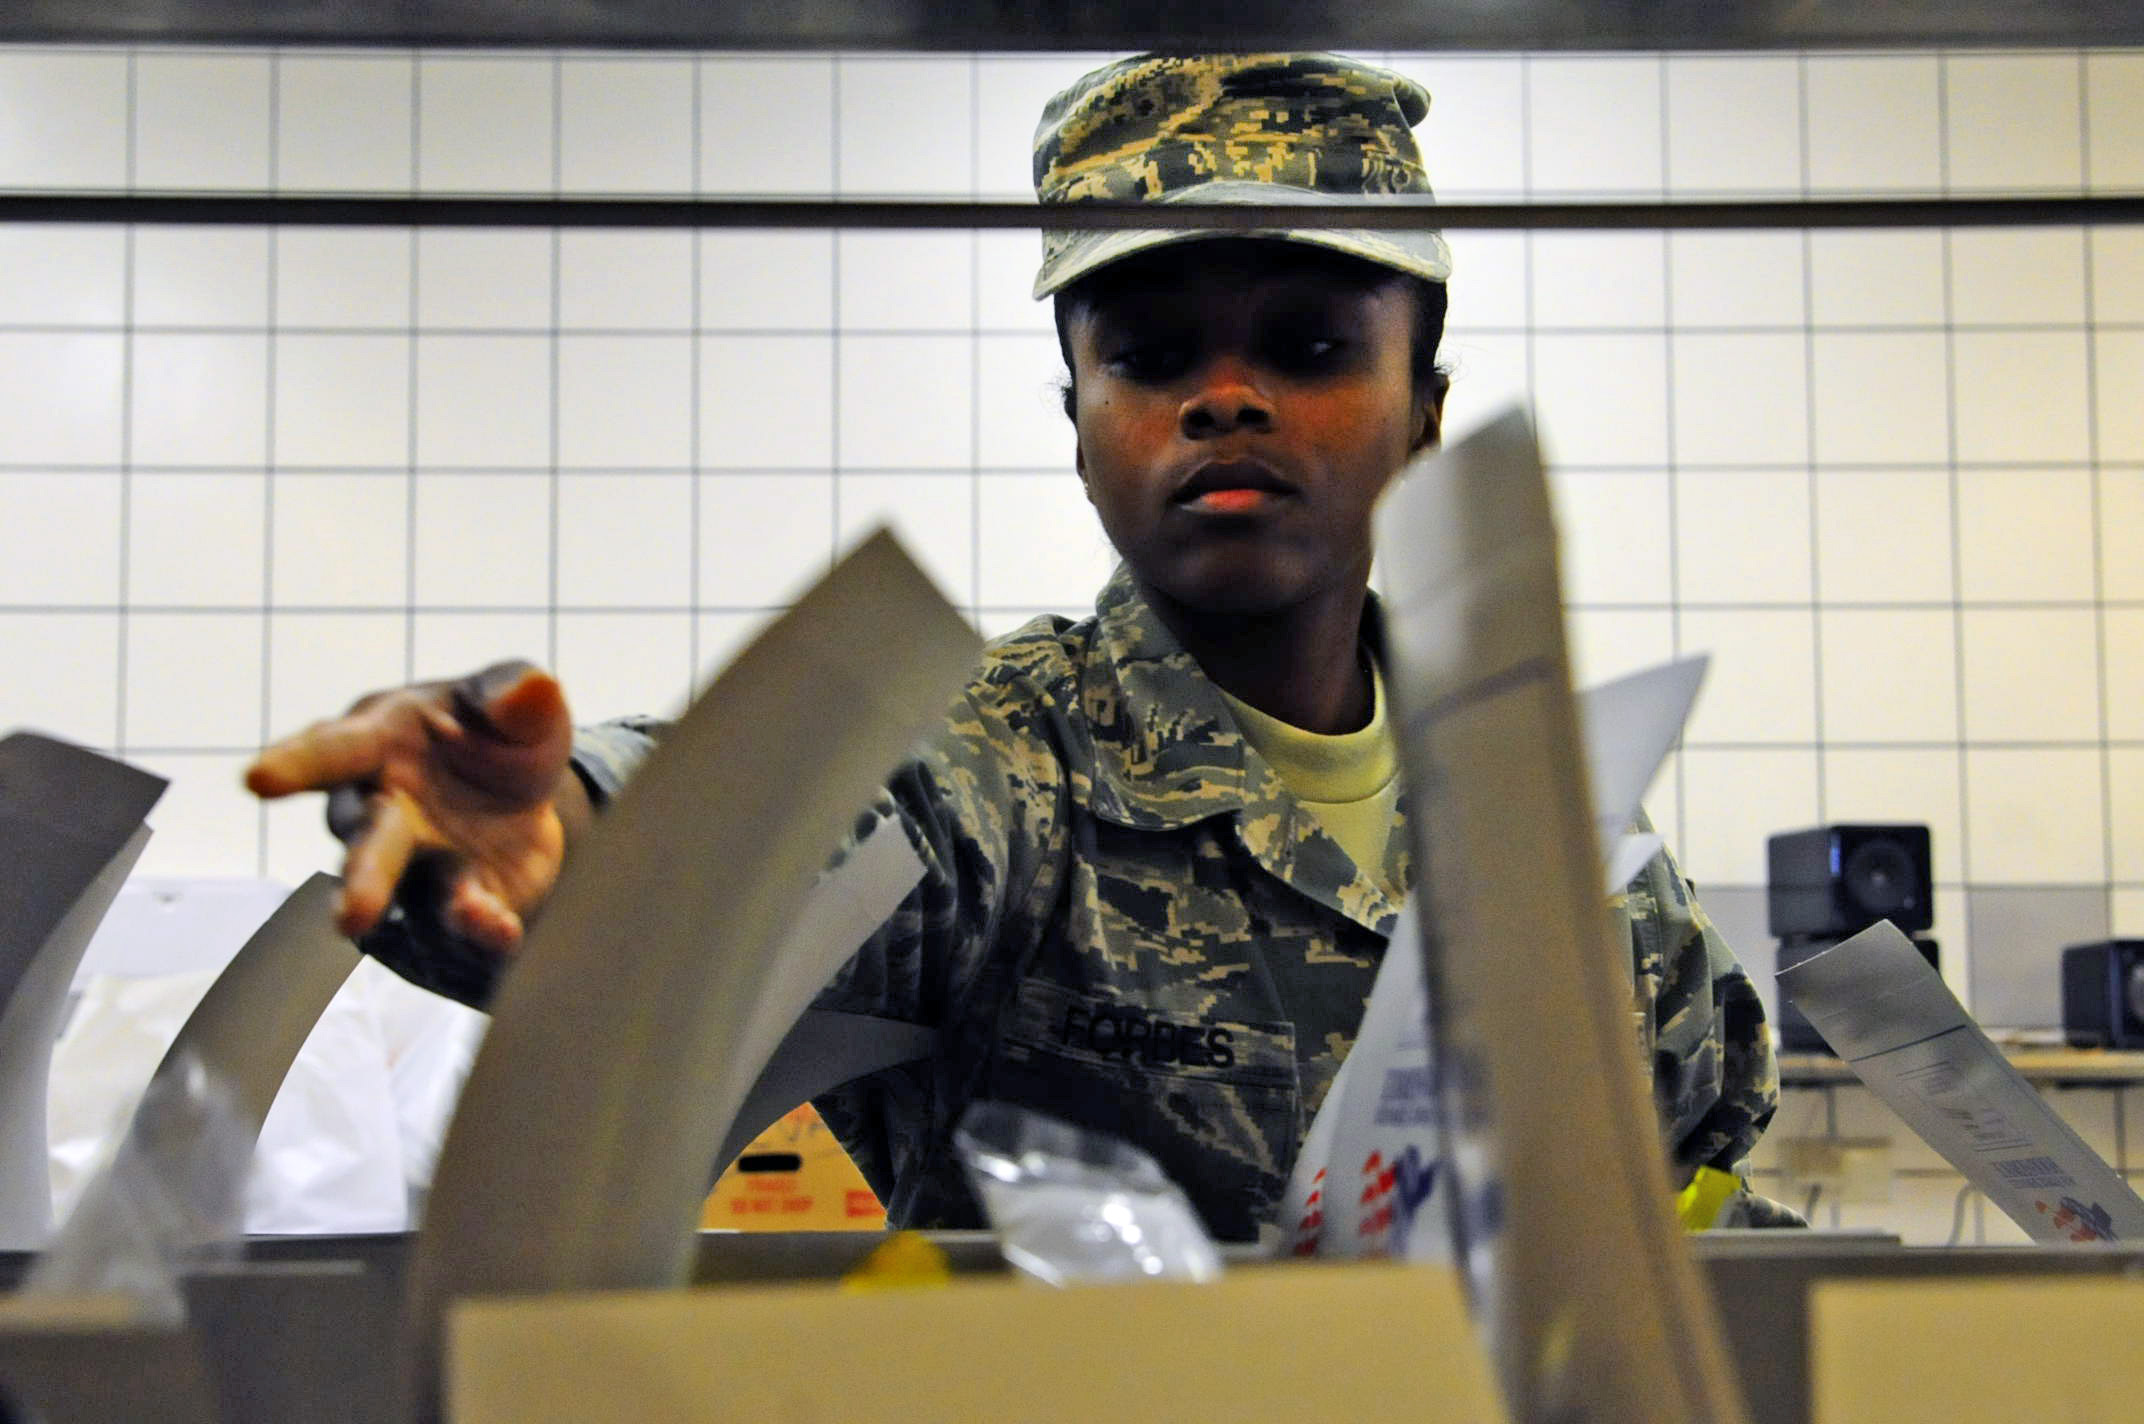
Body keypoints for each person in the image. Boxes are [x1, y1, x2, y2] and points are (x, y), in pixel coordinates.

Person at [246, 52, 1780, 1242]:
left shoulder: (1556, 823)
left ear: (1425, 414)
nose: (1225, 397)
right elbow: (767, 842)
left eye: (1309, 345)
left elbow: (1703, 1185)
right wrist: (556, 833)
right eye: (1149, 355)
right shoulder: (1007, 769)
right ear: (1081, 428)